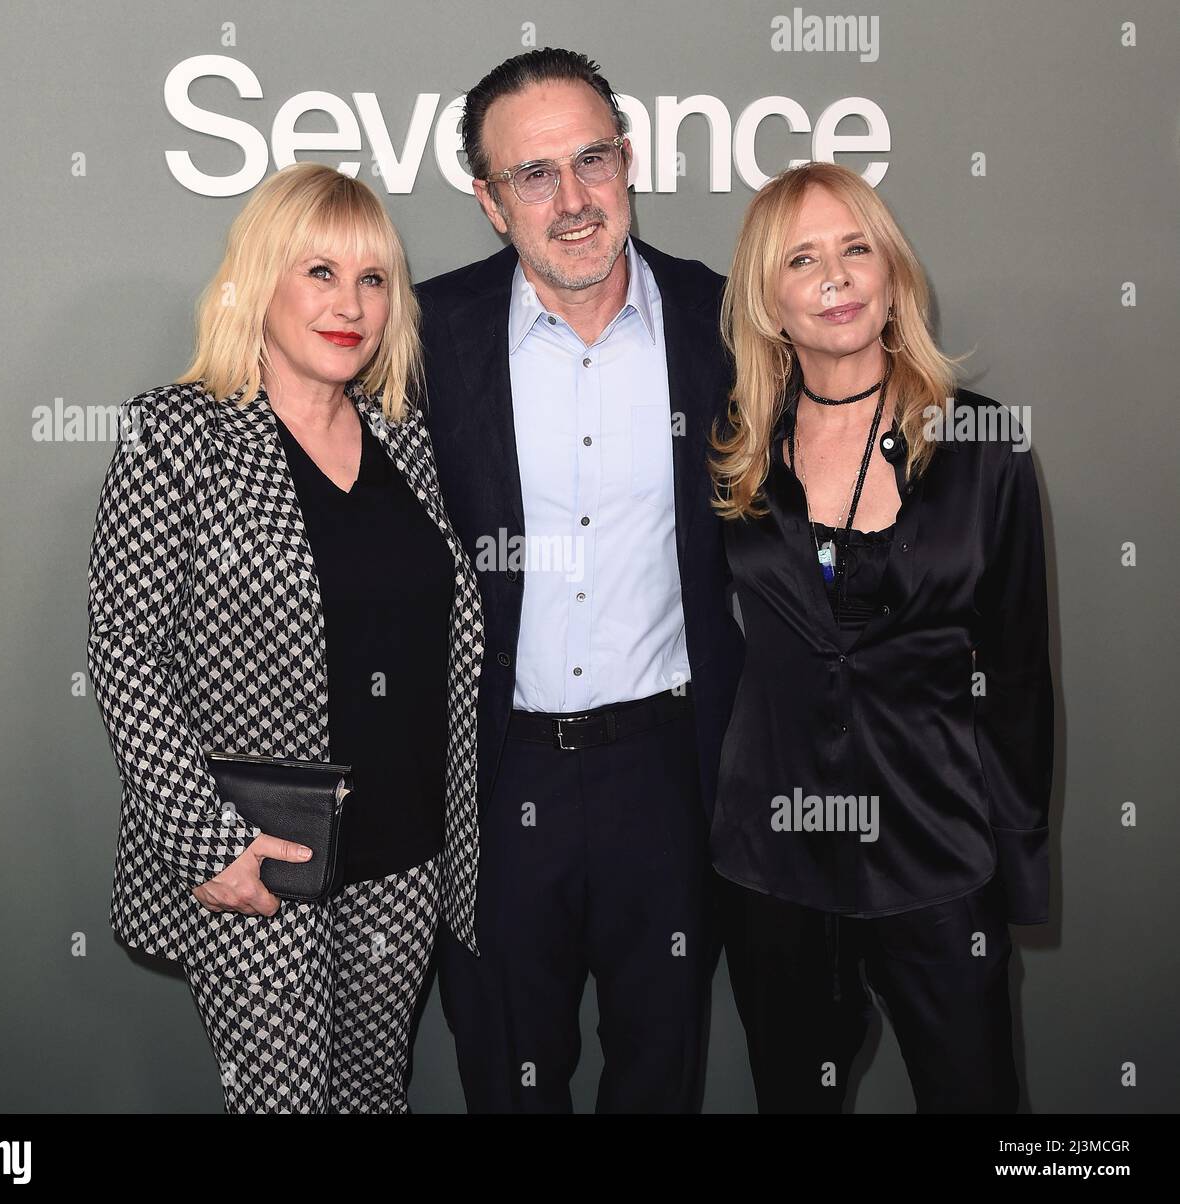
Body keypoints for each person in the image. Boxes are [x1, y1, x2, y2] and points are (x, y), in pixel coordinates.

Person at [85, 162, 483, 1113]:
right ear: (258, 281)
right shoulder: (176, 435)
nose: (350, 304)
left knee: (374, 1098)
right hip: (259, 857)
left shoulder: (410, 445)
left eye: (373, 280)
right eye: (319, 273)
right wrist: (209, 845)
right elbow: (125, 656)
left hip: (406, 855)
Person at [418, 48, 744, 1113]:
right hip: (498, 774)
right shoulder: (423, 336)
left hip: (668, 771)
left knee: (661, 1075)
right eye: (533, 174)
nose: (572, 200)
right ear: (488, 199)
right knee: (507, 1077)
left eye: (592, 159)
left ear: (629, 160)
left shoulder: (723, 324)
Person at [709, 161, 1053, 1112]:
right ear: (769, 304)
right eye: (803, 260)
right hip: (774, 865)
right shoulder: (734, 452)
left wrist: (1014, 868)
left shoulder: (988, 450)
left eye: (856, 249)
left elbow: (1019, 677)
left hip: (938, 859)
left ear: (892, 272)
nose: (836, 277)